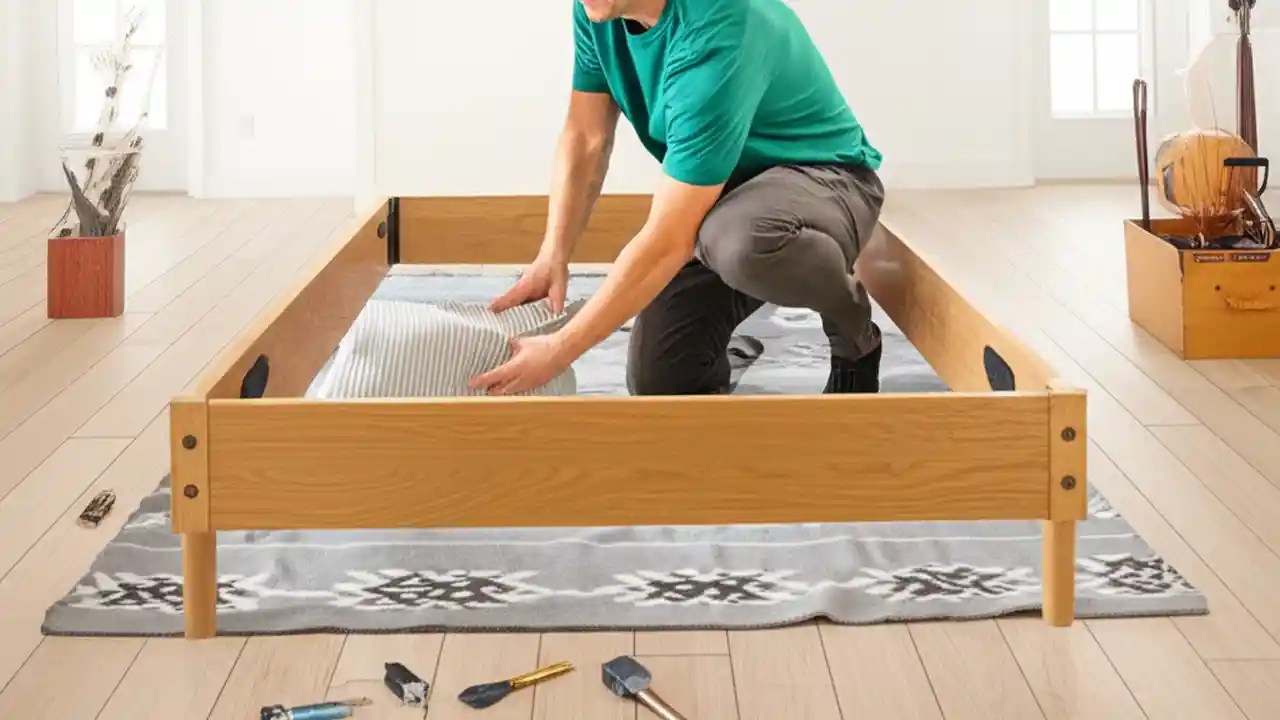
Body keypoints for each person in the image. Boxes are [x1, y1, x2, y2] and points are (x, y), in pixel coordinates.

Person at [469, 0, 886, 397]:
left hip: (825, 179)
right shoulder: (600, 9)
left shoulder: (719, 27)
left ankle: (853, 330)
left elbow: (669, 237)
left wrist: (561, 349)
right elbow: (586, 136)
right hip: (719, 204)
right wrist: (553, 253)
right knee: (661, 378)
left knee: (741, 242)